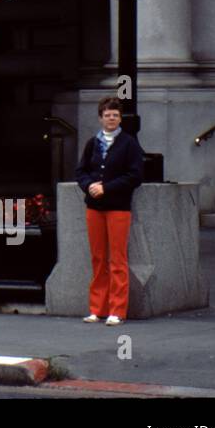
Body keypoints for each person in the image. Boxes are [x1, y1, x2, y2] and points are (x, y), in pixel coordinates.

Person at [74, 96, 144, 325]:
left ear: (120, 118)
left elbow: (135, 176)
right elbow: (81, 171)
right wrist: (89, 186)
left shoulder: (129, 143)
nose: (111, 119)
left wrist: (107, 188)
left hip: (118, 208)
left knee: (117, 259)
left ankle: (117, 309)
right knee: (98, 259)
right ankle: (97, 308)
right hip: (94, 207)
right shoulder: (92, 143)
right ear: (100, 118)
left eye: (115, 115)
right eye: (107, 115)